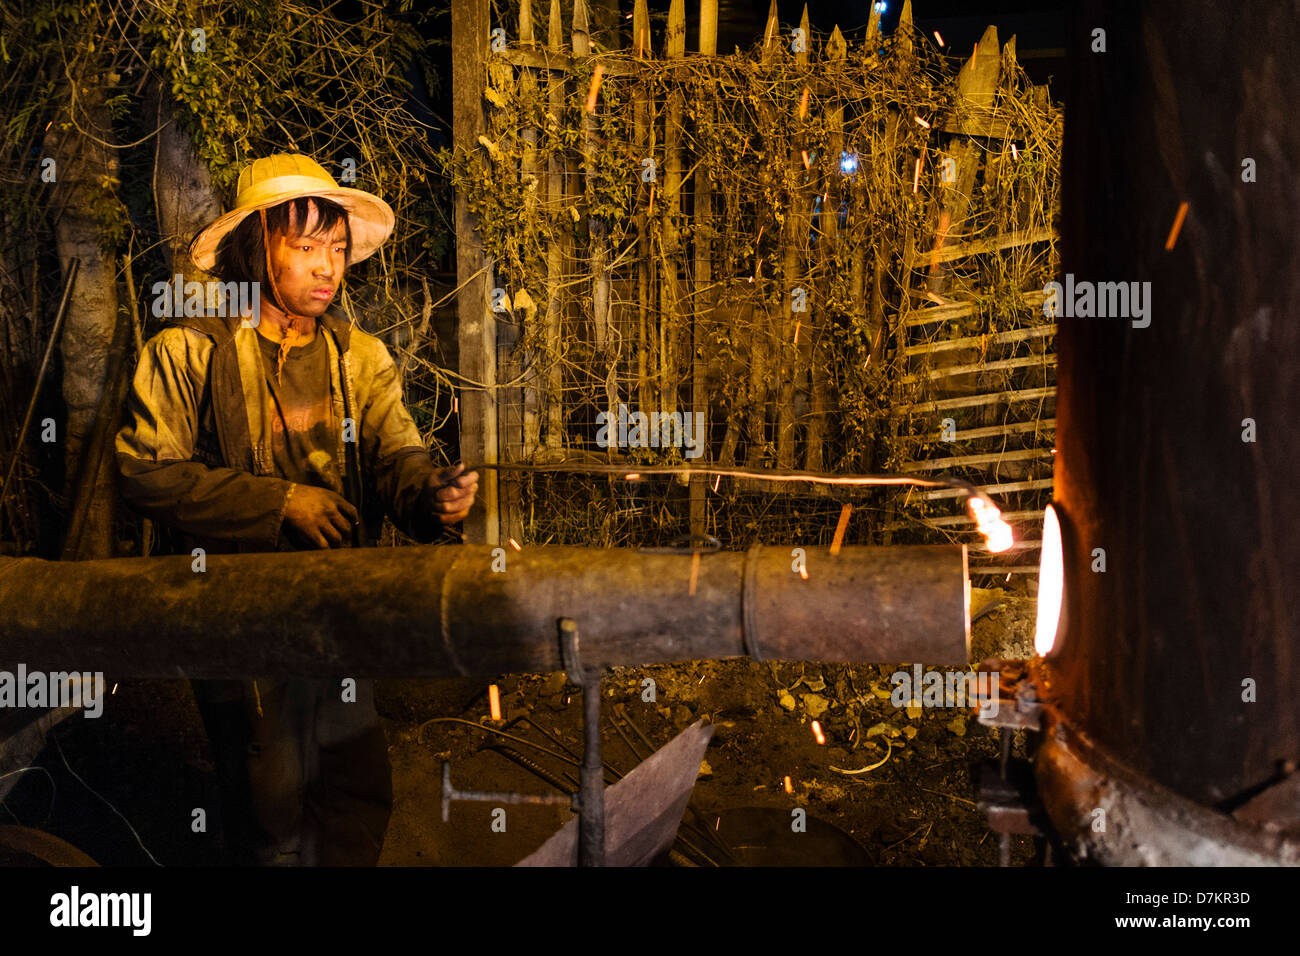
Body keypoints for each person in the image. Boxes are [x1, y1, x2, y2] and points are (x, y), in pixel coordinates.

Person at [114, 153, 478, 865]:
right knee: (268, 802)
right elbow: (146, 474)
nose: (327, 268)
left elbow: (395, 458)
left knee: (354, 785)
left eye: (337, 250)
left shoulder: (359, 356)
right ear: (257, 249)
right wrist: (280, 503)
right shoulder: (188, 350)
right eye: (306, 247)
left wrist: (434, 497)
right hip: (235, 617)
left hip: (339, 611)